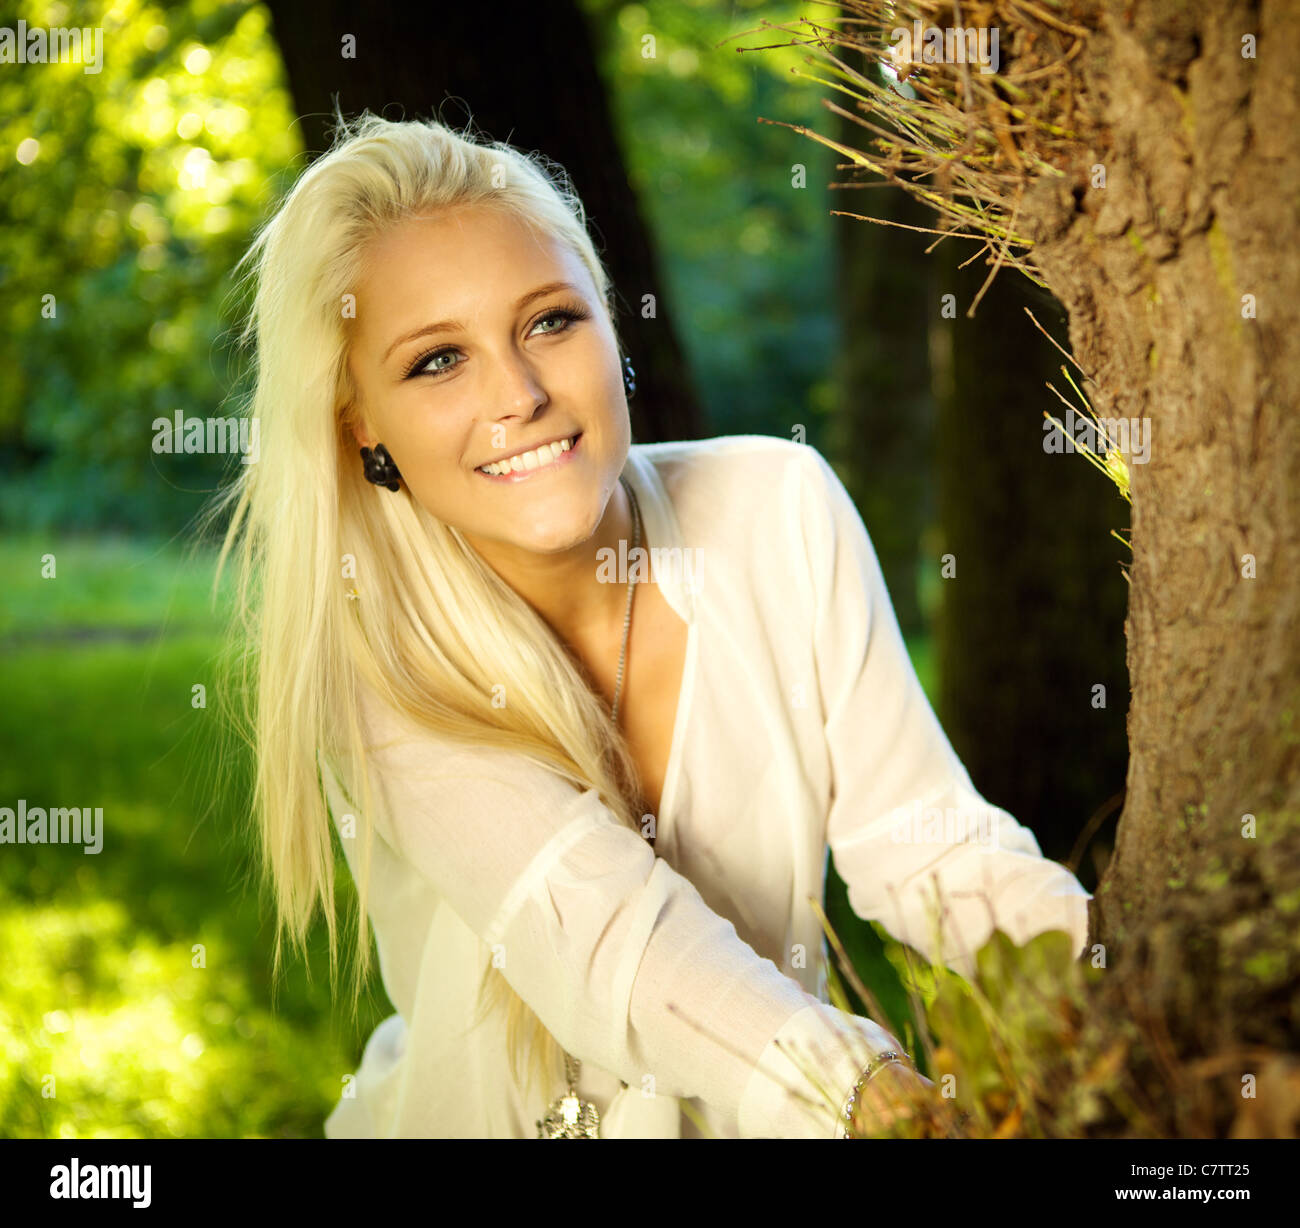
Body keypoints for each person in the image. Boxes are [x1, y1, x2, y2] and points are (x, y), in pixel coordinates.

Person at [206, 111, 1091, 1139]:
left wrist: (1126, 996)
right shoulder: (376, 657)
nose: (520, 394)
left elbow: (928, 852)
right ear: (362, 425)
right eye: (436, 362)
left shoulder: (778, 509)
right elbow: (608, 939)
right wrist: (879, 1102)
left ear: (609, 326)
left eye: (548, 321)